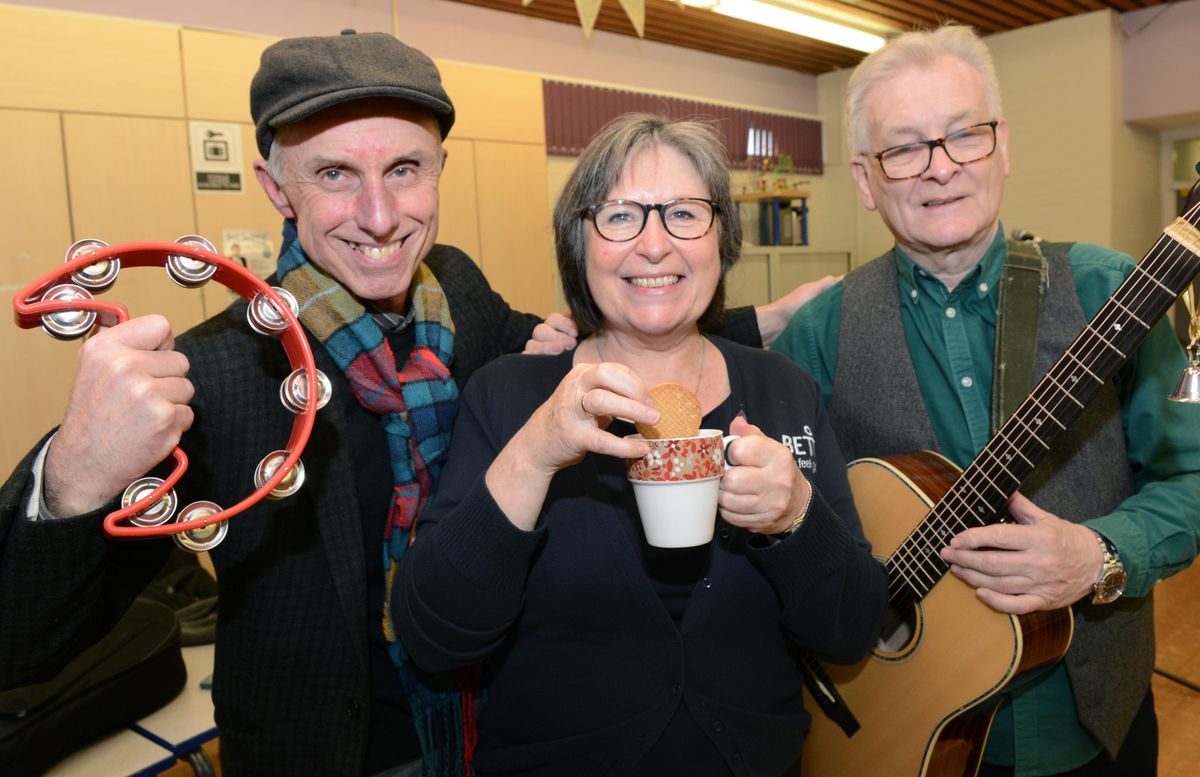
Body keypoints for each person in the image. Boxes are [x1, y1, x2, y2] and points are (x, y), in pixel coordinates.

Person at [0, 31, 827, 777]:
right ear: (275, 186)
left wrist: (764, 321)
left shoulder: (457, 293)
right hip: (334, 752)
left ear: (438, 171)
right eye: (334, 174)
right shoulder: (219, 370)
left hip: (502, 722)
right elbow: (20, 641)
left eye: (404, 169)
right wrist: (72, 474)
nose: (380, 215)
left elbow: (595, 339)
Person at [393, 114, 888, 777]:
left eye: (684, 213)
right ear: (579, 242)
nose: (654, 246)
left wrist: (796, 517)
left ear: (720, 238)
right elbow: (435, 634)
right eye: (620, 216)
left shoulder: (783, 391)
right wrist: (534, 453)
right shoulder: (511, 395)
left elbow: (852, 629)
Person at [772, 23, 1200, 777]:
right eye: (904, 148)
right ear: (866, 182)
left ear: (1004, 149)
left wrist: (1102, 555)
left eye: (964, 134)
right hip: (886, 732)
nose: (940, 168)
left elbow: (1193, 475)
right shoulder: (819, 333)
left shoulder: (1109, 290)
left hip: (1091, 724)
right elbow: (783, 529)